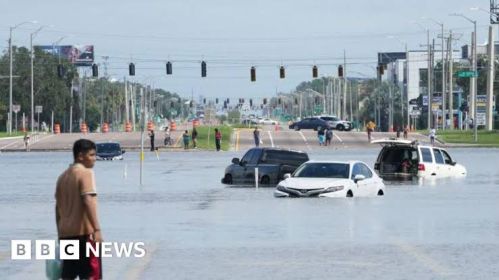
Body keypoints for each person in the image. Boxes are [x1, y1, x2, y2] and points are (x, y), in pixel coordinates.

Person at [55, 139, 102, 280]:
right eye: (92, 155)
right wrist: (97, 229)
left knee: (68, 276)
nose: (95, 159)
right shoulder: (86, 173)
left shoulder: (62, 177)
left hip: (65, 235)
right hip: (84, 235)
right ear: (80, 156)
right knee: (91, 275)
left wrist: (60, 235)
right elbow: (88, 201)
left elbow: (58, 210)